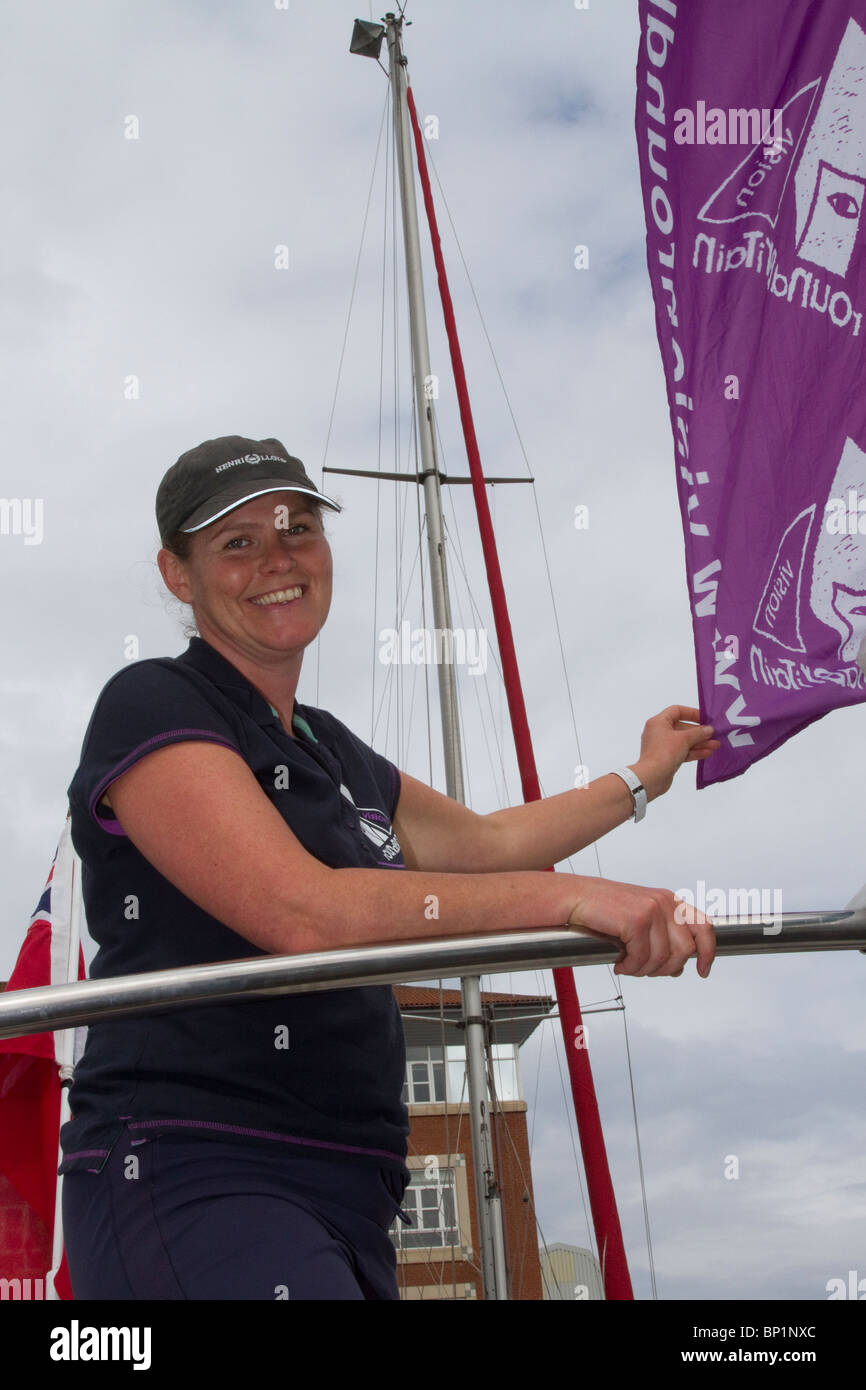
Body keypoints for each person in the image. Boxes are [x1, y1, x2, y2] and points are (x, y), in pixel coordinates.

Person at [58, 434, 718, 1301]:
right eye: (237, 542)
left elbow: (486, 846)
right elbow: (303, 913)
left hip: (355, 1185)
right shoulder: (152, 703)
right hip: (193, 1160)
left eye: (297, 529)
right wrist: (580, 898)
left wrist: (643, 777)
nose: (278, 559)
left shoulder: (331, 749)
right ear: (178, 576)